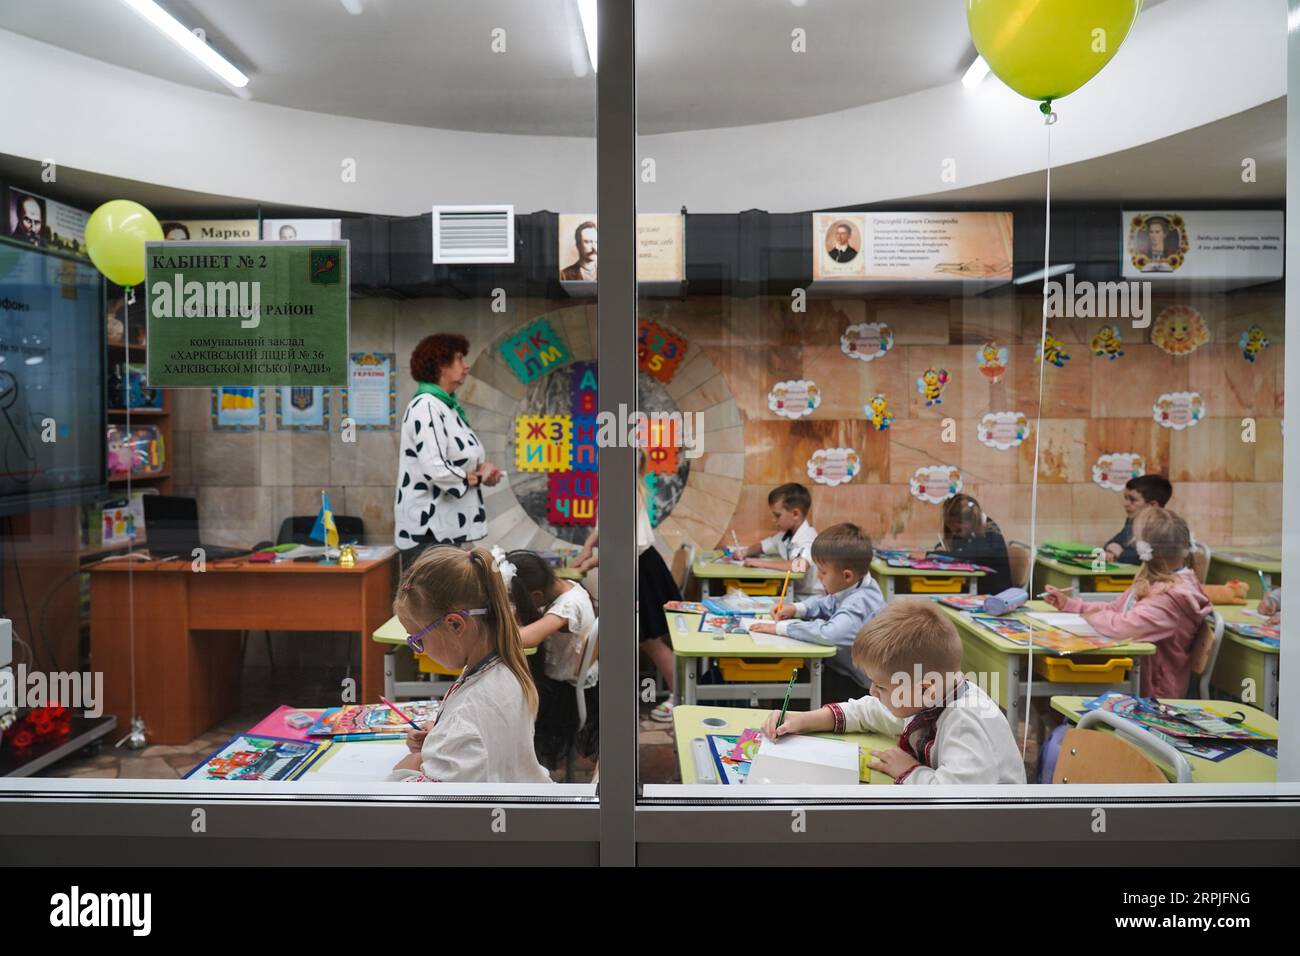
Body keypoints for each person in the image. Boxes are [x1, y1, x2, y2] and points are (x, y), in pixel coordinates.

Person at [762, 599, 1024, 785]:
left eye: (881, 686)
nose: (872, 691)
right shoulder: (928, 697)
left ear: (924, 689)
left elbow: (955, 805)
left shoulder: (967, 723)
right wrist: (802, 720)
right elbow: (870, 711)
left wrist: (909, 770)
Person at [388, 546, 552, 784]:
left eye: (417, 639)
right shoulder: (501, 667)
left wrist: (408, 767)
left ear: (455, 625)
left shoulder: (470, 712)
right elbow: (482, 737)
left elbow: (428, 809)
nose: (418, 648)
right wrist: (441, 737)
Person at [1047, 508, 1211, 698]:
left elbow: (1123, 626)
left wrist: (1089, 616)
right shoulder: (1154, 582)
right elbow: (1115, 608)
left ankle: (1061, 726)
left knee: (1062, 683)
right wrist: (1071, 605)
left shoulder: (1171, 598)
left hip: (1154, 693)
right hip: (1134, 680)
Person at [572, 451, 682, 722]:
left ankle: (679, 698)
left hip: (642, 571)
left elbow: (630, 545)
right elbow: (605, 530)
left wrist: (592, 562)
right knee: (646, 641)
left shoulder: (627, 494)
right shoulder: (618, 490)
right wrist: (587, 547)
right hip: (635, 569)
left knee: (652, 642)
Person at [393, 333, 502, 568]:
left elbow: (459, 462)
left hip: (445, 530)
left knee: (446, 602)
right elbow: (437, 468)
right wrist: (478, 477)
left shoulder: (446, 406)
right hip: (428, 530)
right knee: (433, 603)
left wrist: (485, 473)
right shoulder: (426, 406)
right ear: (442, 365)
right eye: (460, 359)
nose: (466, 365)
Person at [748, 523, 884, 689]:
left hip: (859, 686)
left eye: (823, 572)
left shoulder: (861, 600)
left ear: (847, 575)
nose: (818, 576)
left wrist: (781, 628)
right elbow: (827, 603)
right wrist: (797, 608)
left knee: (794, 686)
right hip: (840, 670)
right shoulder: (857, 583)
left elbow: (829, 634)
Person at [504, 549, 597, 766]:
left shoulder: (568, 606)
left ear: (536, 596)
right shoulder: (566, 585)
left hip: (564, 695)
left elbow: (528, 638)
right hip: (567, 684)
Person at [731, 482, 822, 597]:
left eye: (777, 515)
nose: (774, 520)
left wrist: (760, 563)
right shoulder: (785, 535)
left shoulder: (808, 538)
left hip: (808, 598)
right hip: (791, 593)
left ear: (795, 514)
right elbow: (762, 546)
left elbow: (800, 566)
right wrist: (745, 552)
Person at [935, 494, 1012, 594]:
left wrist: (936, 554)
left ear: (968, 522)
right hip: (974, 587)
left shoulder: (991, 535)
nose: (955, 534)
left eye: (958, 530)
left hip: (993, 593)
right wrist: (940, 547)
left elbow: (969, 555)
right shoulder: (970, 529)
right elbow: (955, 546)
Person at [1104, 474, 1173, 565]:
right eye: (1126, 498)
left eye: (1132, 500)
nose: (1126, 504)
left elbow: (1151, 557)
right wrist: (1110, 550)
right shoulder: (1132, 521)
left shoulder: (1164, 527)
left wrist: (1122, 554)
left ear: (1152, 505)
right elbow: (1116, 541)